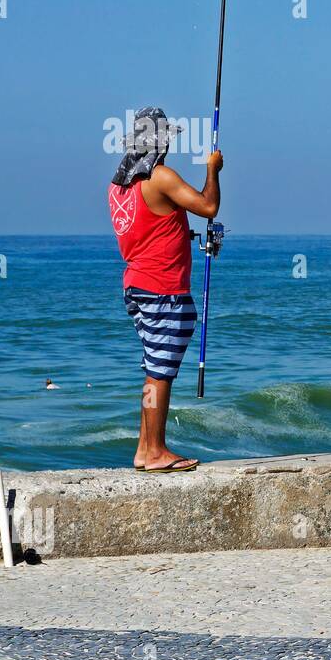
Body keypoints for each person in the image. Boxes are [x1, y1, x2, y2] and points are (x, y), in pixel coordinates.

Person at [108, 106, 222, 473]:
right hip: (163, 290)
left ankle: (145, 449)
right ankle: (155, 451)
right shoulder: (159, 177)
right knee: (160, 373)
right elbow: (208, 206)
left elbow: (150, 229)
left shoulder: (118, 186)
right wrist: (212, 169)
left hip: (137, 285)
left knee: (153, 370)